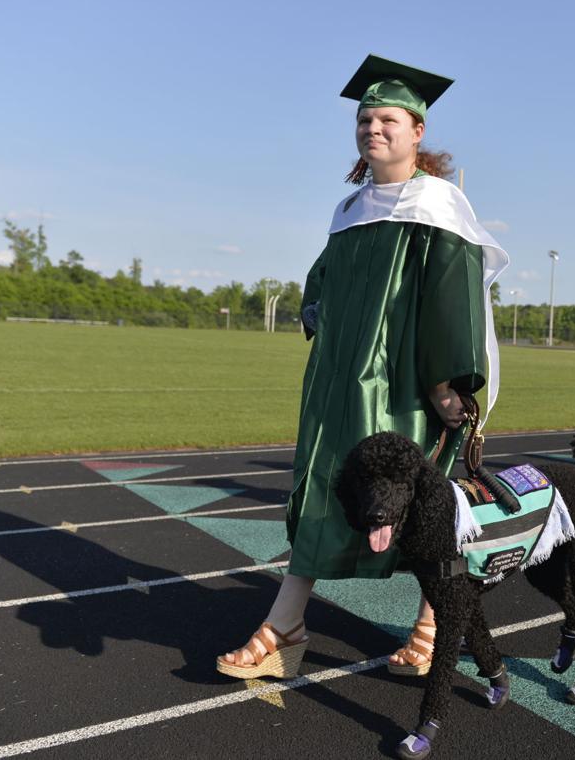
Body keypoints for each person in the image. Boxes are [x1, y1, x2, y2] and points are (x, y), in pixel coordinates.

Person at [216, 55, 508, 679]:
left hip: (402, 387)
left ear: (417, 132)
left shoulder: (438, 204)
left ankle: (431, 622)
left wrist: (446, 381)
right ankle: (287, 623)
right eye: (365, 120)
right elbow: (320, 285)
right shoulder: (349, 210)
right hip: (337, 386)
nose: (373, 129)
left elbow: (450, 295)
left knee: (420, 502)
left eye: (387, 120)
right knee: (321, 486)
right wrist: (319, 319)